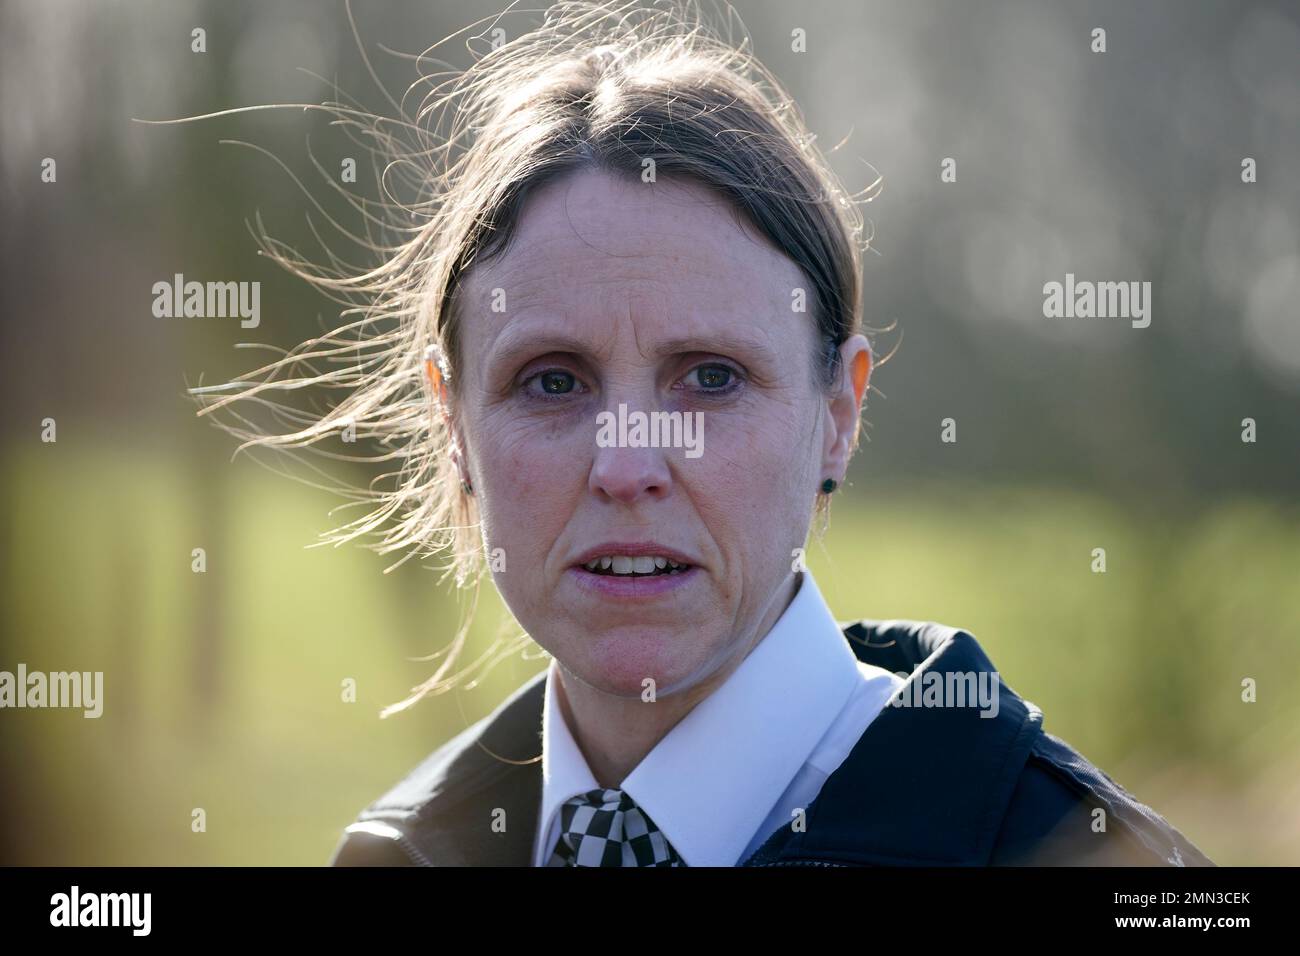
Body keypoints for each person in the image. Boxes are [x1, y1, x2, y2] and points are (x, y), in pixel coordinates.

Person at [198, 0, 1213, 867]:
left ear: (838, 414)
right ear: (452, 423)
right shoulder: (397, 857)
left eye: (711, 377)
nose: (628, 463)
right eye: (552, 380)